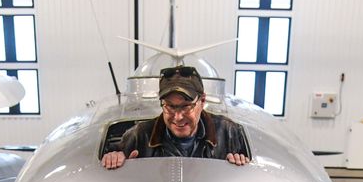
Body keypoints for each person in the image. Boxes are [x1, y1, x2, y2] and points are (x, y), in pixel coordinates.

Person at [102, 66, 251, 169]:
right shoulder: (139, 135)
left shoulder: (229, 133)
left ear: (202, 101)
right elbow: (110, 159)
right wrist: (115, 158)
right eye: (170, 106)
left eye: (186, 106)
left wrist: (241, 164)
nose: (178, 117)